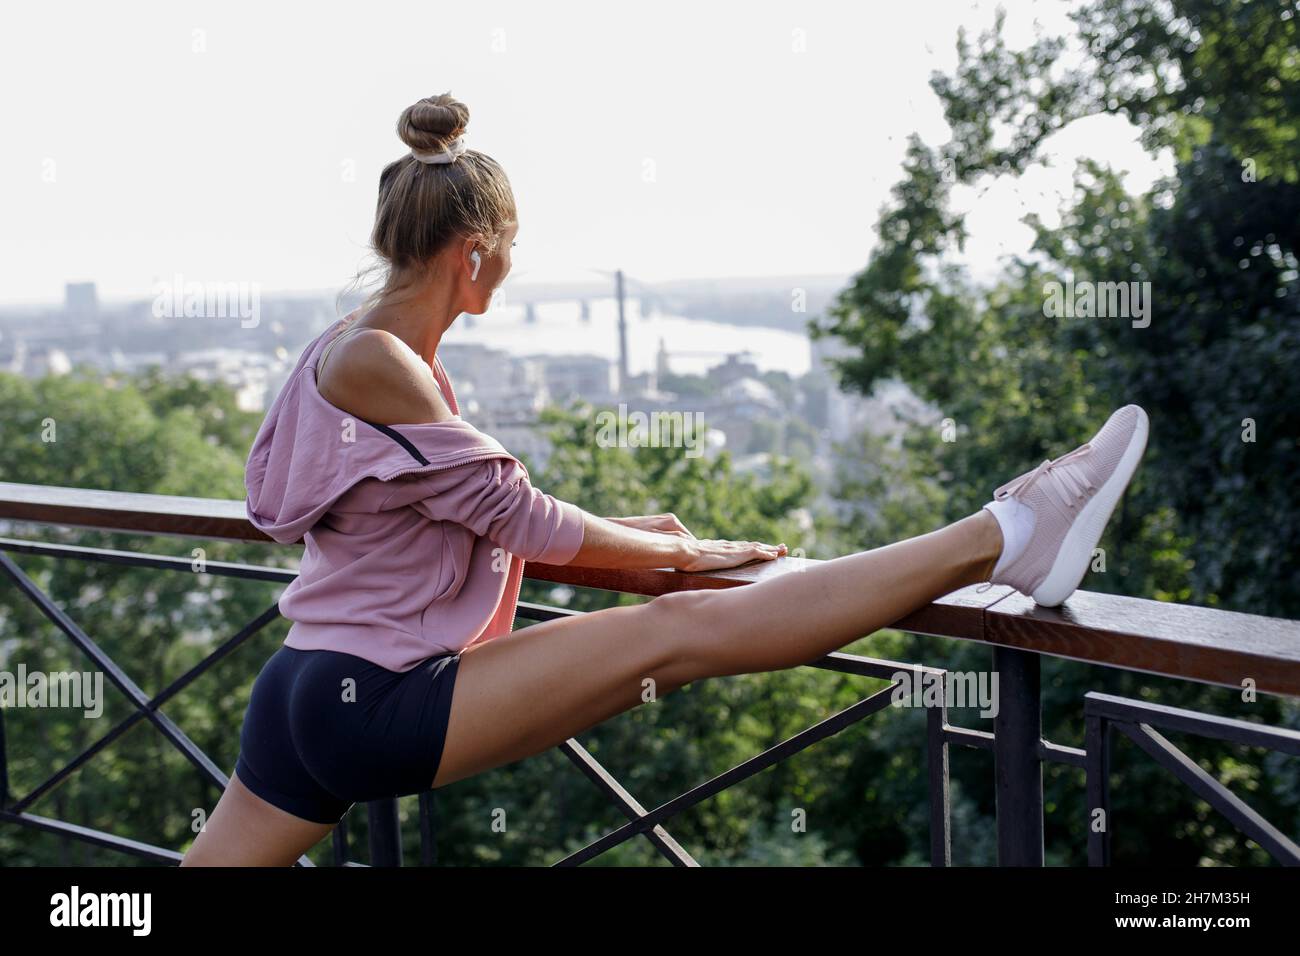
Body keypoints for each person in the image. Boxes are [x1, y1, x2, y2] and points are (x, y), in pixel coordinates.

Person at [180, 92, 1148, 866]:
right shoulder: (382, 359)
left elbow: (439, 520)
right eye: (506, 254)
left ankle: (1013, 530)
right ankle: (1010, 530)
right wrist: (677, 554)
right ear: (472, 252)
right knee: (677, 633)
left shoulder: (355, 351)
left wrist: (637, 541)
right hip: (375, 696)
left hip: (306, 685)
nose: (508, 275)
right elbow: (519, 514)